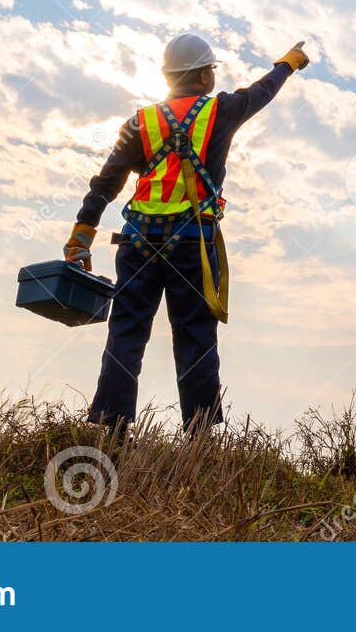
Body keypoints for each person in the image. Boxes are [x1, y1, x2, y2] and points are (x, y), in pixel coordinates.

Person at [63, 31, 309, 433]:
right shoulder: (222, 111)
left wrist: (81, 236)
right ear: (201, 78)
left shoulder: (139, 122)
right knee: (194, 336)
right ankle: (199, 436)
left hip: (138, 241)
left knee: (126, 330)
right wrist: (288, 63)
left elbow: (106, 182)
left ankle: (111, 427)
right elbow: (262, 92)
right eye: (211, 70)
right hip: (191, 244)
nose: (213, 77)